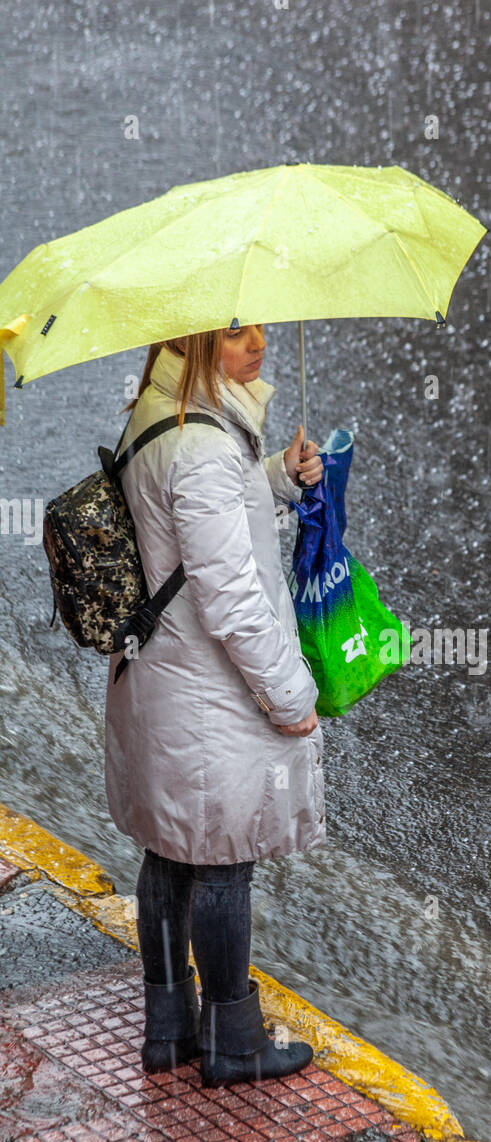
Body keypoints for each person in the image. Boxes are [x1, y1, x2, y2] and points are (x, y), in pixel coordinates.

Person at [104, 321, 326, 1087]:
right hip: (207, 691)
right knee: (224, 857)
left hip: (163, 676)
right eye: (233, 332)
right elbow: (229, 595)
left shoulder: (162, 413)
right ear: (194, 340)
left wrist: (273, 476)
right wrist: (291, 694)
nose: (258, 340)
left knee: (169, 848)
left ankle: (167, 1029)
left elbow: (193, 522)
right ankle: (233, 1041)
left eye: (258, 322)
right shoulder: (199, 443)